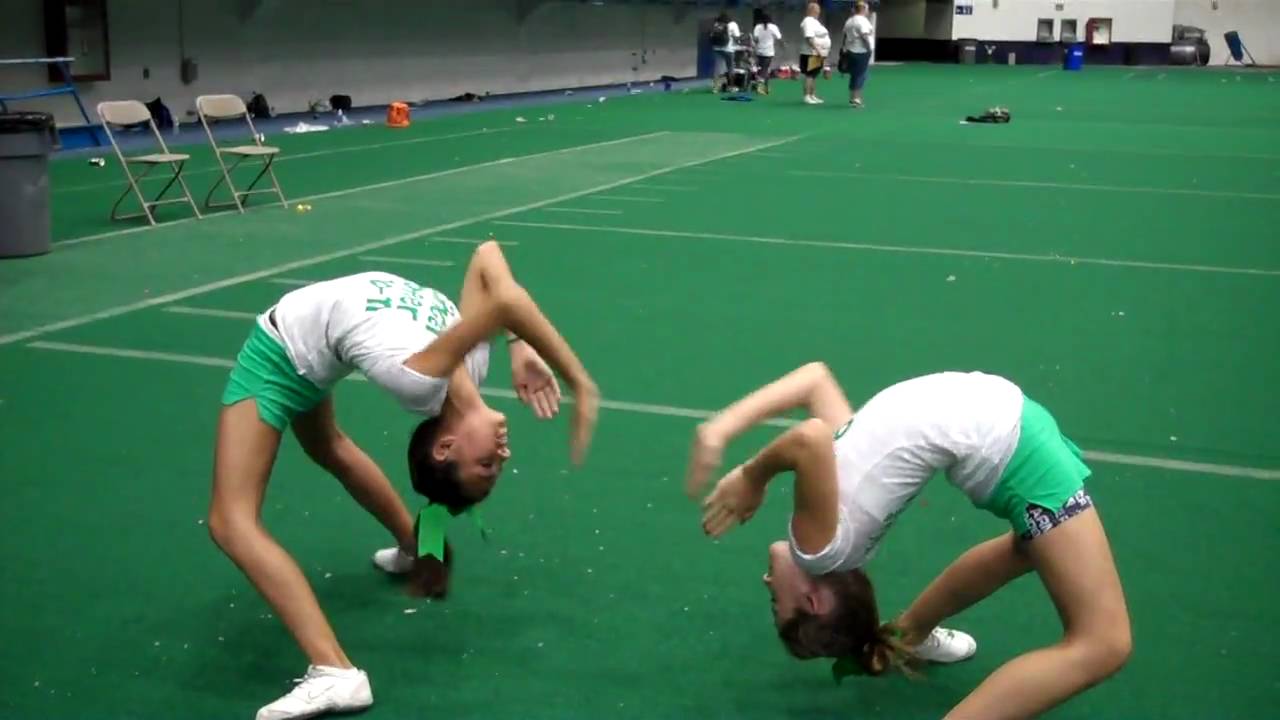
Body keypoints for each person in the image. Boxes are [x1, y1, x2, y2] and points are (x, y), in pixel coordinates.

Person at [209, 239, 599, 720]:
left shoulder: (418, 380)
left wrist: (562, 369)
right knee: (326, 446)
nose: (503, 454)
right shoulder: (471, 366)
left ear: (446, 446)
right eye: (497, 467)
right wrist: (528, 352)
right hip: (319, 345)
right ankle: (417, 548)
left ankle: (335, 674)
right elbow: (486, 256)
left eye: (487, 466)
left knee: (230, 521)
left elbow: (503, 302)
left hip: (281, 351)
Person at [685, 364, 1131, 720]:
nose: (765, 581)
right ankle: (912, 634)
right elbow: (810, 428)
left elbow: (814, 399)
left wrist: (737, 454)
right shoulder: (821, 549)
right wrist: (739, 458)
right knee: (1103, 643)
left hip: (1008, 433)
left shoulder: (829, 533)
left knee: (1028, 551)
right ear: (814, 599)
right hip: (1013, 442)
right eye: (773, 601)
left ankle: (910, 634)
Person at [840, 1, 875, 108]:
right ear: (863, 9)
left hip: (851, 50)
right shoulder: (862, 21)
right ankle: (856, 98)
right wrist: (869, 48)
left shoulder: (849, 20)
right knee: (860, 75)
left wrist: (844, 48)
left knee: (855, 75)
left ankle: (852, 98)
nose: (868, 11)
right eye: (867, 9)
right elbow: (865, 35)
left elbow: (845, 35)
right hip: (861, 51)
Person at [799, 2, 832, 104]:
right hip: (811, 53)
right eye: (817, 10)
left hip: (817, 53)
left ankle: (812, 95)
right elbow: (809, 38)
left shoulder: (815, 21)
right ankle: (807, 96)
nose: (819, 11)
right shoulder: (808, 21)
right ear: (811, 10)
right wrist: (818, 51)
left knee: (814, 75)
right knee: (810, 75)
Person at [752, 12, 784, 94]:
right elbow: (779, 38)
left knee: (762, 68)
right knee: (765, 69)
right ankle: (762, 86)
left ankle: (764, 87)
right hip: (769, 51)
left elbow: (755, 39)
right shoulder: (773, 27)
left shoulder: (758, 27)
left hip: (759, 51)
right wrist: (783, 45)